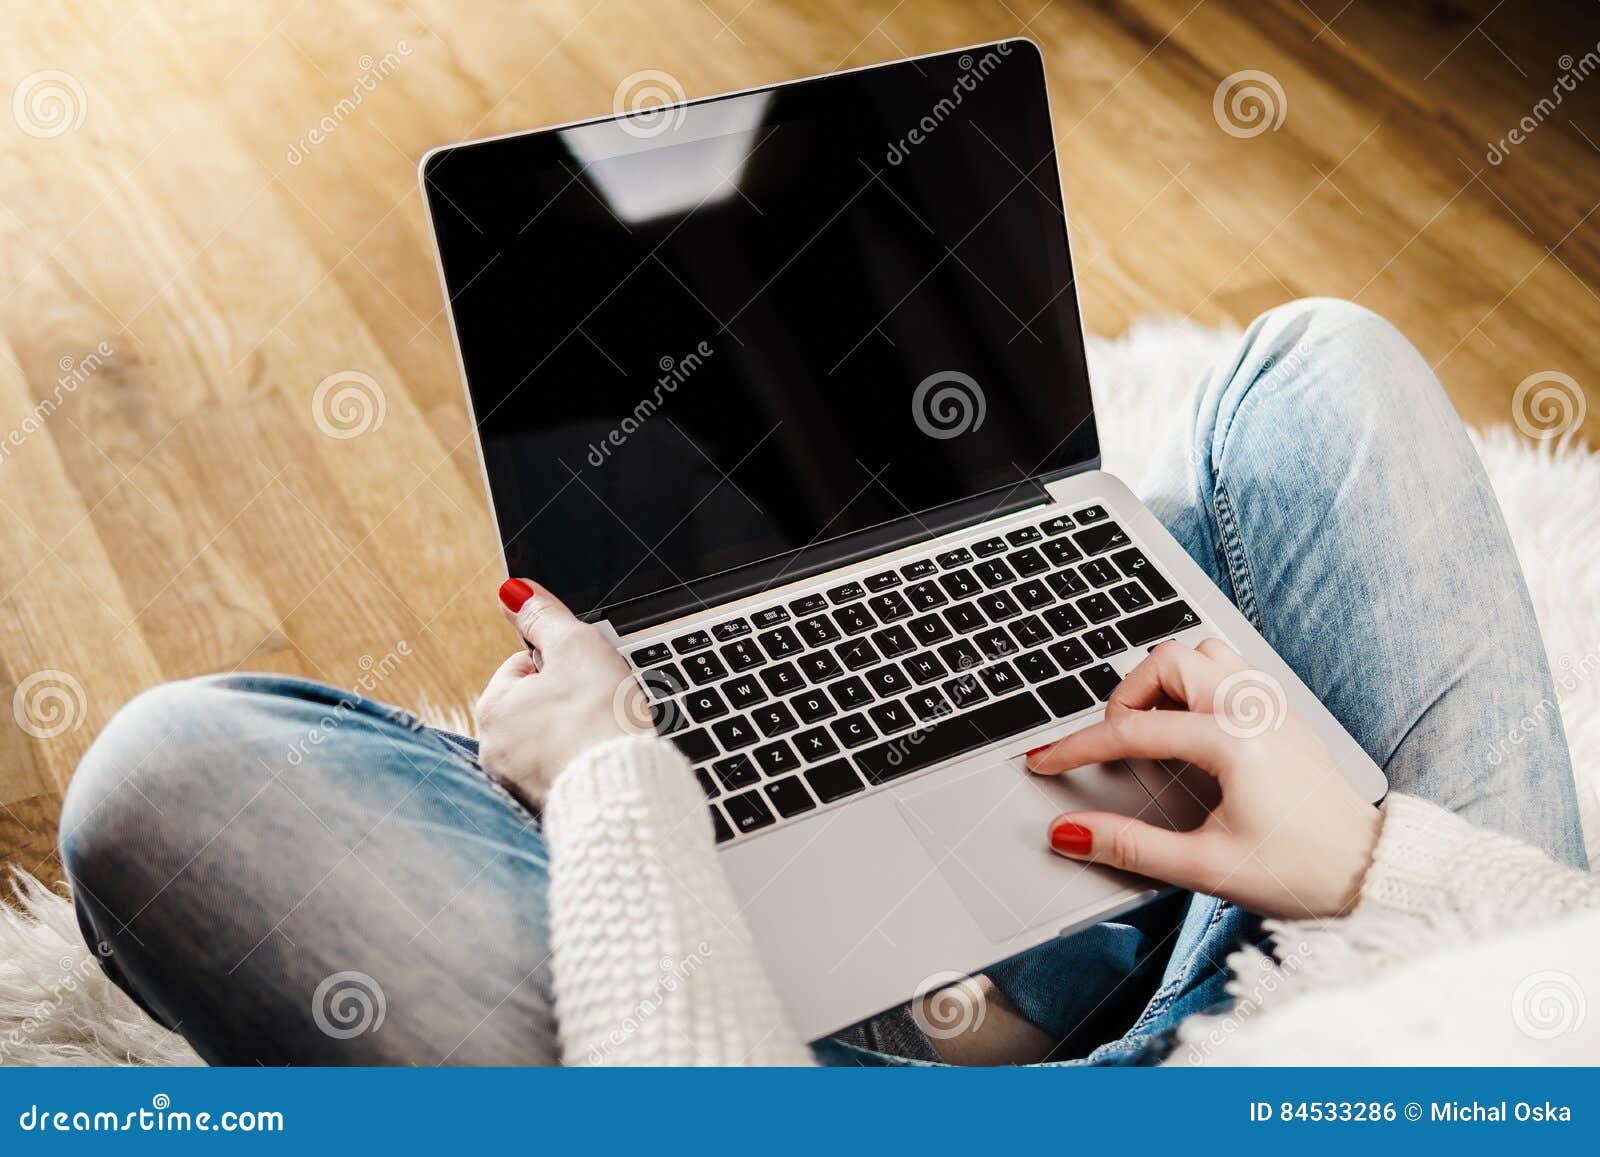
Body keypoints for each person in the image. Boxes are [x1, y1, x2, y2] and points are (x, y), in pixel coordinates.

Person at [58, 299, 1593, 1066]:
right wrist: (1372, 861)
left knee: (172, 784)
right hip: (1350, 978)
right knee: (1315, 368)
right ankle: (1028, 773)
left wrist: (610, 781)